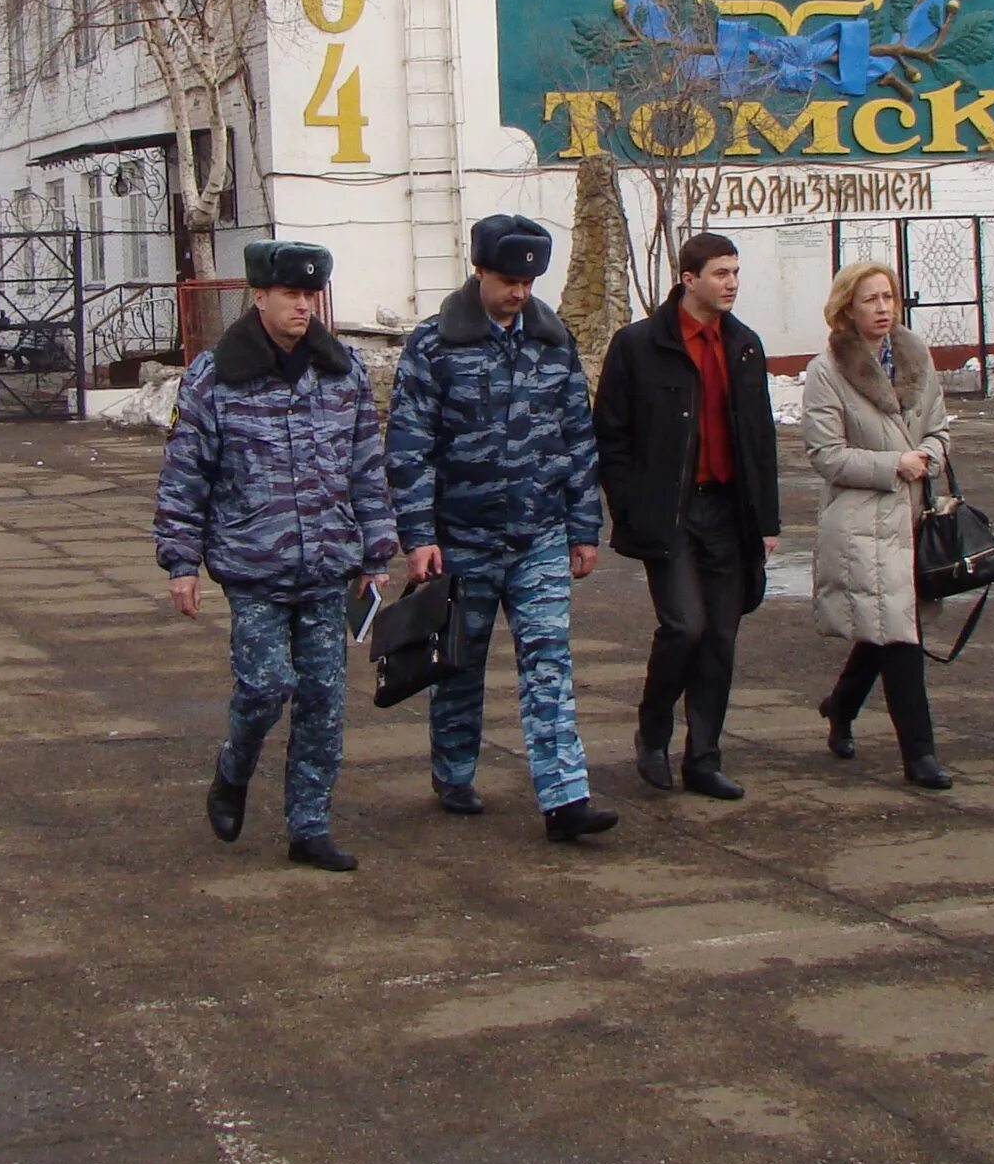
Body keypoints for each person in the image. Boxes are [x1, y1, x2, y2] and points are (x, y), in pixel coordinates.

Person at [154, 240, 397, 872]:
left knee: (322, 701)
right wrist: (181, 561)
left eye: (310, 294)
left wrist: (376, 551)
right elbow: (186, 474)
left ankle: (309, 826)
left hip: (327, 565)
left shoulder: (341, 373)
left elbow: (367, 469)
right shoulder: (215, 376)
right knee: (266, 685)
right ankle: (234, 769)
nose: (303, 306)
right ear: (258, 295)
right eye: (290, 294)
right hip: (252, 562)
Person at [386, 213, 618, 845]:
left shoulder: (552, 339)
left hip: (538, 535)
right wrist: (419, 535)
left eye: (528, 281)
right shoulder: (434, 345)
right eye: (509, 280)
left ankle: (565, 797)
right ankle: (454, 772)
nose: (519, 293)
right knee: (460, 665)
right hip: (462, 539)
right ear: (479, 271)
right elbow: (409, 447)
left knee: (550, 663)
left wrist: (582, 527)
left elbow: (577, 435)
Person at [595, 232, 779, 801]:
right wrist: (630, 505)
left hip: (729, 512)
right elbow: (612, 435)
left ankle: (704, 757)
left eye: (735, 273)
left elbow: (760, 437)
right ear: (689, 278)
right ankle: (653, 733)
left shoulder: (743, 344)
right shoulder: (639, 345)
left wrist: (767, 522)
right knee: (684, 626)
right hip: (669, 510)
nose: (731, 284)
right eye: (721, 273)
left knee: (721, 635)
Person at [801, 262, 955, 790]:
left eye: (888, 297)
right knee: (900, 634)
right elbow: (826, 455)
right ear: (847, 308)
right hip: (862, 522)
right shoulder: (828, 370)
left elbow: (937, 428)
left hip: (914, 517)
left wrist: (928, 455)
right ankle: (920, 755)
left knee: (885, 626)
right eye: (870, 300)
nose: (884, 308)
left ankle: (840, 705)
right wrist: (894, 465)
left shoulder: (916, 356)